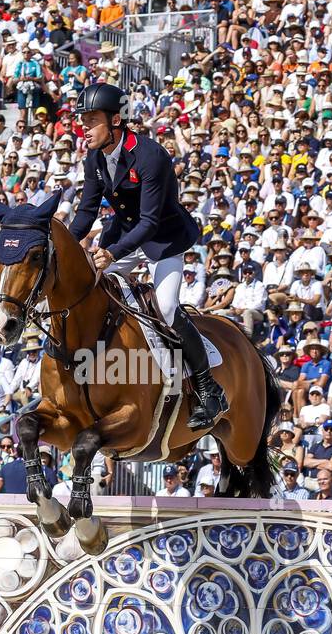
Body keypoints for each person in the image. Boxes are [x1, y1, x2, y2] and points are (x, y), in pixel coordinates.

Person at [68, 82, 226, 430]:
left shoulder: (150, 156)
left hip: (164, 239)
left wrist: (110, 253)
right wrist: (62, 240)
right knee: (86, 287)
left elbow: (150, 221)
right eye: (83, 120)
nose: (84, 127)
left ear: (115, 120)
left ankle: (207, 388)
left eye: (91, 120)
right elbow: (87, 211)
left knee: (166, 308)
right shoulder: (94, 156)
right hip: (125, 233)